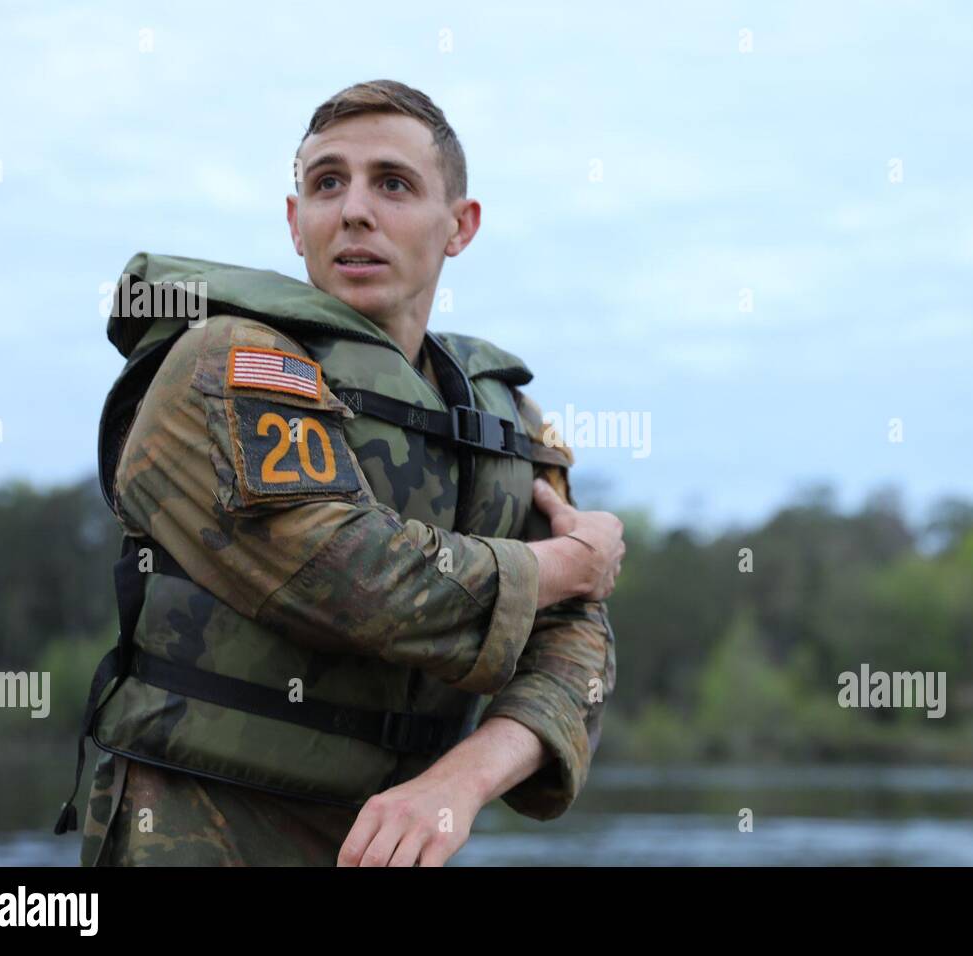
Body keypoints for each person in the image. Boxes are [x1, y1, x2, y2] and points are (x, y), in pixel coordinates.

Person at [57, 79, 624, 866]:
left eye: (392, 183)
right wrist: (566, 564)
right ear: (296, 223)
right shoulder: (227, 362)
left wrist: (458, 783)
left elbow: (579, 651)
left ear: (460, 226)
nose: (355, 210)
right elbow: (349, 579)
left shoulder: (510, 421)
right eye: (328, 183)